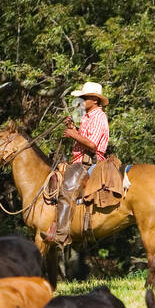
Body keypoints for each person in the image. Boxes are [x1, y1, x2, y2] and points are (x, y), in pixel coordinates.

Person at [44, 81, 110, 245]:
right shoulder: (88, 116)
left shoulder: (98, 117)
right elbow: (85, 137)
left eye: (84, 98)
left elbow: (92, 145)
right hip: (80, 160)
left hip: (89, 162)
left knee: (66, 190)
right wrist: (74, 128)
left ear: (94, 100)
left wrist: (73, 134)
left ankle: (61, 235)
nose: (81, 101)